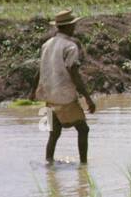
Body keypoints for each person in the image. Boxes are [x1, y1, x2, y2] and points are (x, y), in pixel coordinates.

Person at [34, 9, 97, 164]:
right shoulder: (70, 47)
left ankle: (49, 162)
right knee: (83, 129)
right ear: (70, 27)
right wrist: (88, 99)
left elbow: (40, 70)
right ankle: (83, 165)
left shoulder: (46, 45)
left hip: (48, 96)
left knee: (54, 133)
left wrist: (32, 92)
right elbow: (74, 73)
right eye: (74, 25)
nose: (74, 28)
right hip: (64, 96)